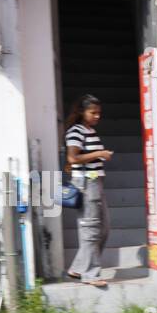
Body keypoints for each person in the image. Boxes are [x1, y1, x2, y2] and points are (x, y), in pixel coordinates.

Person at [64, 94, 113, 287]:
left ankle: (78, 268)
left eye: (99, 113)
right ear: (82, 112)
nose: (97, 116)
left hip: (95, 181)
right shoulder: (76, 131)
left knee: (103, 228)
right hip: (86, 183)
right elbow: (73, 158)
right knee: (91, 229)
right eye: (93, 112)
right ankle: (91, 275)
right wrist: (100, 154)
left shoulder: (89, 130)